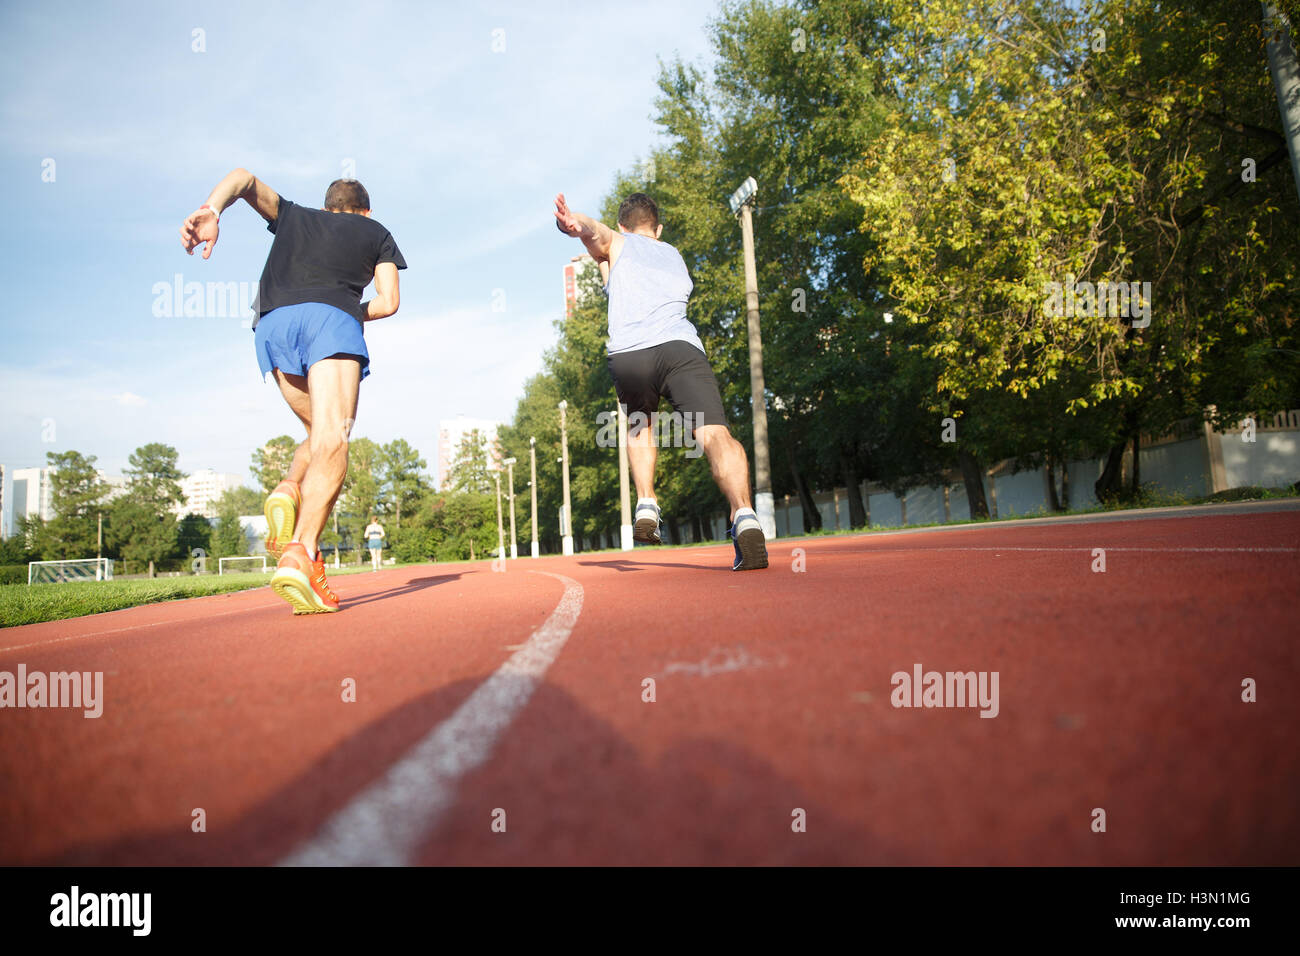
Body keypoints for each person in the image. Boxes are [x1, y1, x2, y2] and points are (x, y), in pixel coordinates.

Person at [180, 169, 406, 613]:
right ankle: (300, 552)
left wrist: (211, 210)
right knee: (334, 439)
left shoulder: (295, 216)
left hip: (272, 324)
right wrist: (349, 311)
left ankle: (288, 488)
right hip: (331, 321)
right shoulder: (376, 231)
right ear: (366, 210)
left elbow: (243, 179)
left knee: (316, 432)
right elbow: (389, 301)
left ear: (326, 208)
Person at [553, 191, 768, 571]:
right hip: (680, 348)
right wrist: (587, 235)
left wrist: (575, 225)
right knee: (715, 435)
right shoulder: (674, 255)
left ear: (624, 226)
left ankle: (647, 503)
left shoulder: (618, 243)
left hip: (631, 354)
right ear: (659, 228)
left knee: (640, 424)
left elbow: (595, 235)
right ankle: (745, 513)